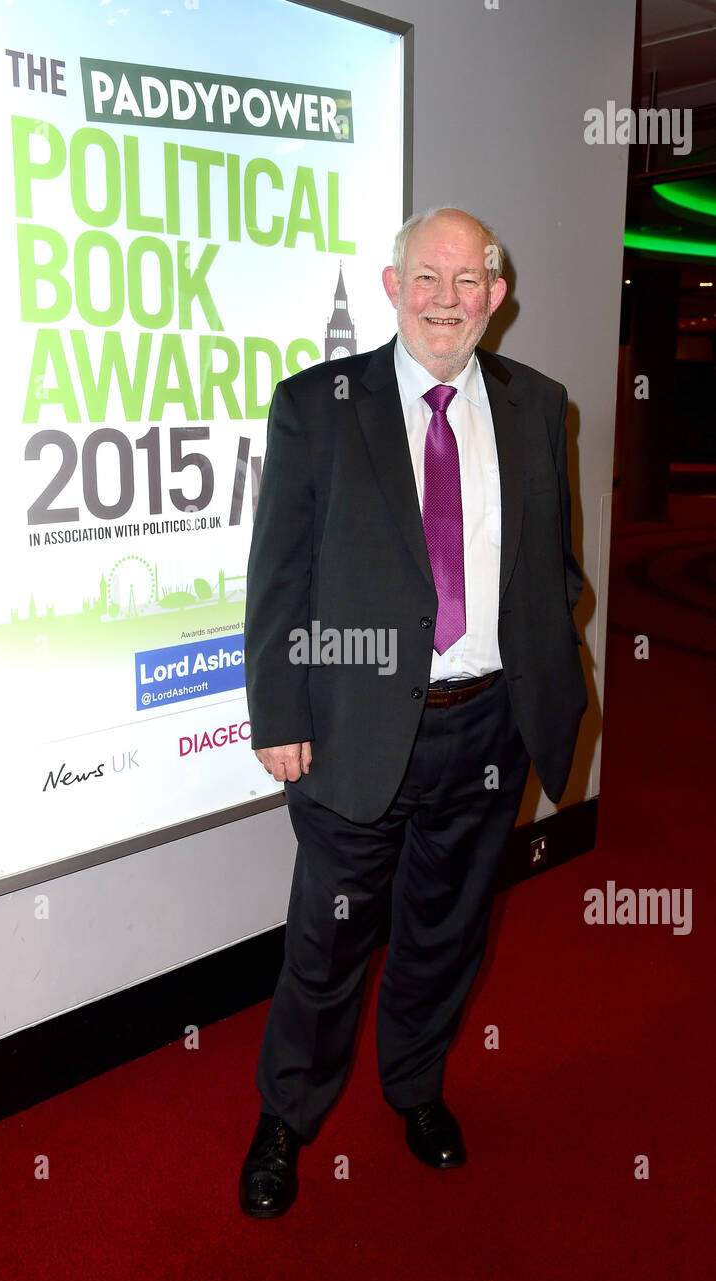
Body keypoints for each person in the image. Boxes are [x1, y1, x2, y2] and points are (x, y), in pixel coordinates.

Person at [240, 206, 587, 1217]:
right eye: (425, 279)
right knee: (328, 939)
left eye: (467, 280)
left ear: (496, 293)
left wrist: (528, 669)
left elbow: (554, 564)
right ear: (392, 289)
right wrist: (278, 712)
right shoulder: (318, 403)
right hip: (354, 731)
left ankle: (415, 1089)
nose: (446, 300)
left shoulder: (536, 404)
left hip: (487, 727)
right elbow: (279, 576)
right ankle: (284, 1118)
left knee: (446, 931)